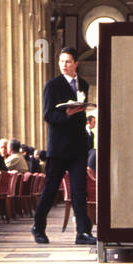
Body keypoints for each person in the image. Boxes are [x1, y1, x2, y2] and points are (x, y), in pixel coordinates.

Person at [32, 48, 95, 245]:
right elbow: (48, 115)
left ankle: (83, 232)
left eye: (68, 61)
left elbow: (82, 113)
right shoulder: (52, 85)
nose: (64, 65)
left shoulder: (83, 84)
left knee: (79, 190)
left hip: (78, 146)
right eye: (61, 61)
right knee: (51, 189)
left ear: (76, 63)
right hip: (58, 147)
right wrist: (67, 113)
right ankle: (38, 227)